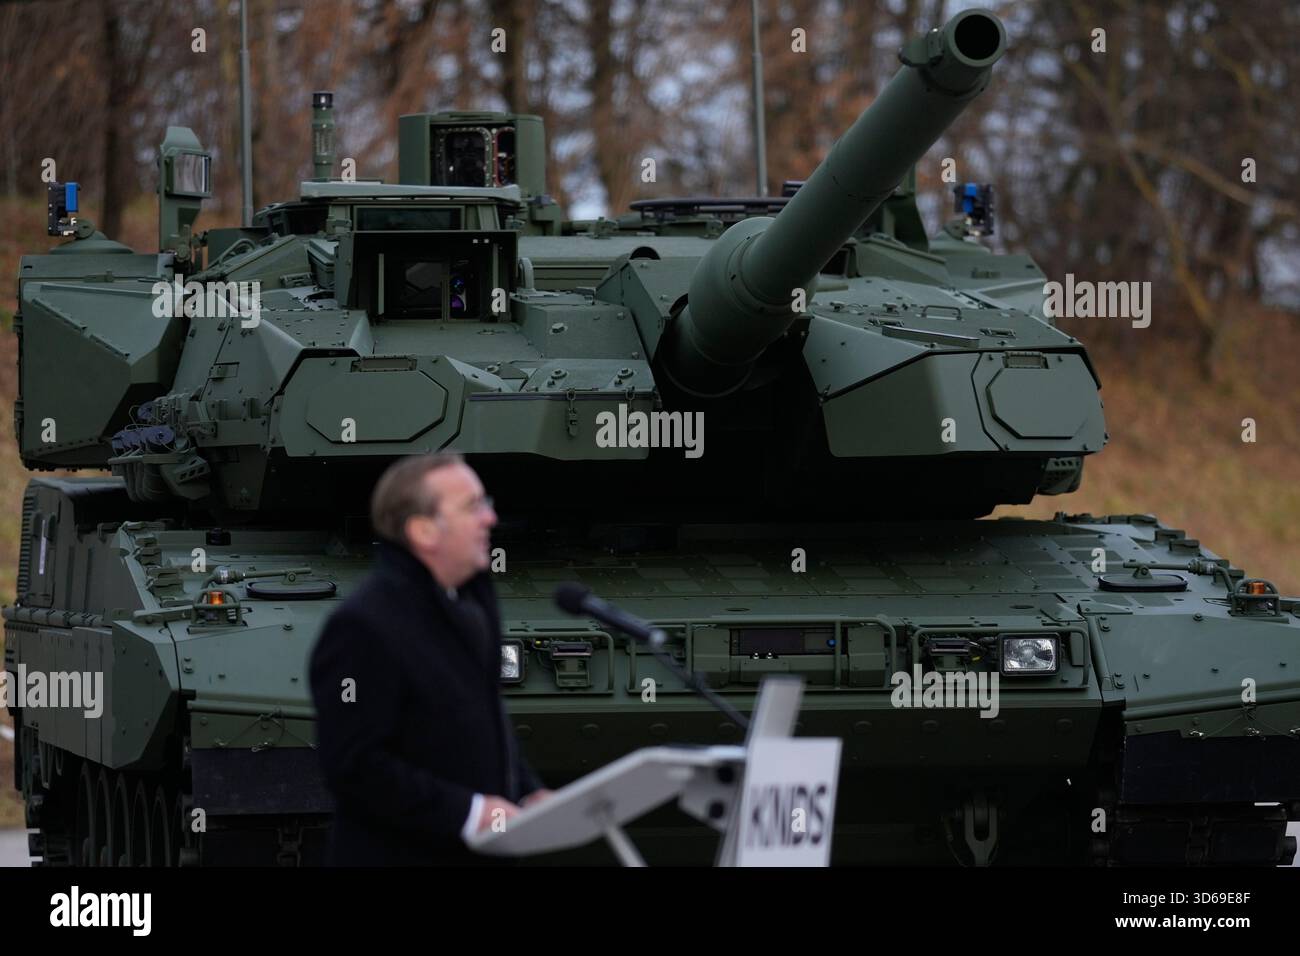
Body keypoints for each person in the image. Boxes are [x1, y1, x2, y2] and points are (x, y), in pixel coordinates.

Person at [309, 452, 550, 865]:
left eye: (486, 503)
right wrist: (470, 813)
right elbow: (355, 766)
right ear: (423, 530)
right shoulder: (365, 625)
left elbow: (483, 719)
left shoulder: (471, 600)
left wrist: (526, 791)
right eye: (473, 507)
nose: (490, 519)